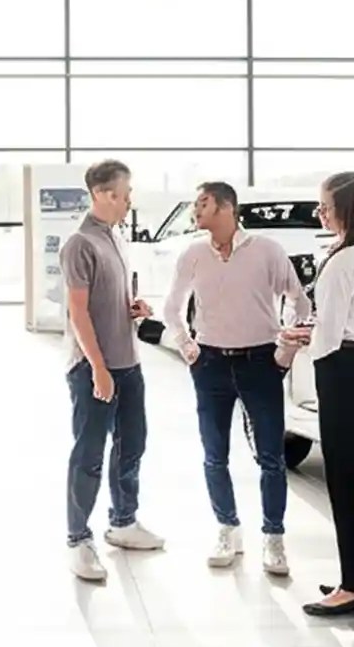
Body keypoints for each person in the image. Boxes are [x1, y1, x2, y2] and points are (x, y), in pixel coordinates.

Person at [162, 182, 311, 574]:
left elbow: (300, 301)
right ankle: (227, 528)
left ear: (227, 207)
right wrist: (187, 348)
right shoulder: (193, 254)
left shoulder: (267, 251)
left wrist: (286, 349)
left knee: (271, 457)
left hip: (260, 362)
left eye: (203, 202)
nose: (196, 209)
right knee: (214, 455)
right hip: (209, 364)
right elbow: (171, 308)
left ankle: (273, 538)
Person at [279, 171, 354, 617]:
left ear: (347, 208)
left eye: (325, 205)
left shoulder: (342, 260)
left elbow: (330, 329)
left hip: (341, 370)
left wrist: (300, 337)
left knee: (344, 481)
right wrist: (318, 331)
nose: (319, 213)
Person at [61, 159, 165, 582]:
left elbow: (109, 300)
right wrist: (98, 369)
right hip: (93, 368)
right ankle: (78, 539)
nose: (128, 201)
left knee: (132, 445)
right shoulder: (79, 244)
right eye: (123, 194)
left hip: (129, 363)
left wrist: (135, 309)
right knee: (88, 455)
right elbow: (78, 312)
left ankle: (123, 522)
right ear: (102, 194)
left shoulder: (116, 239)